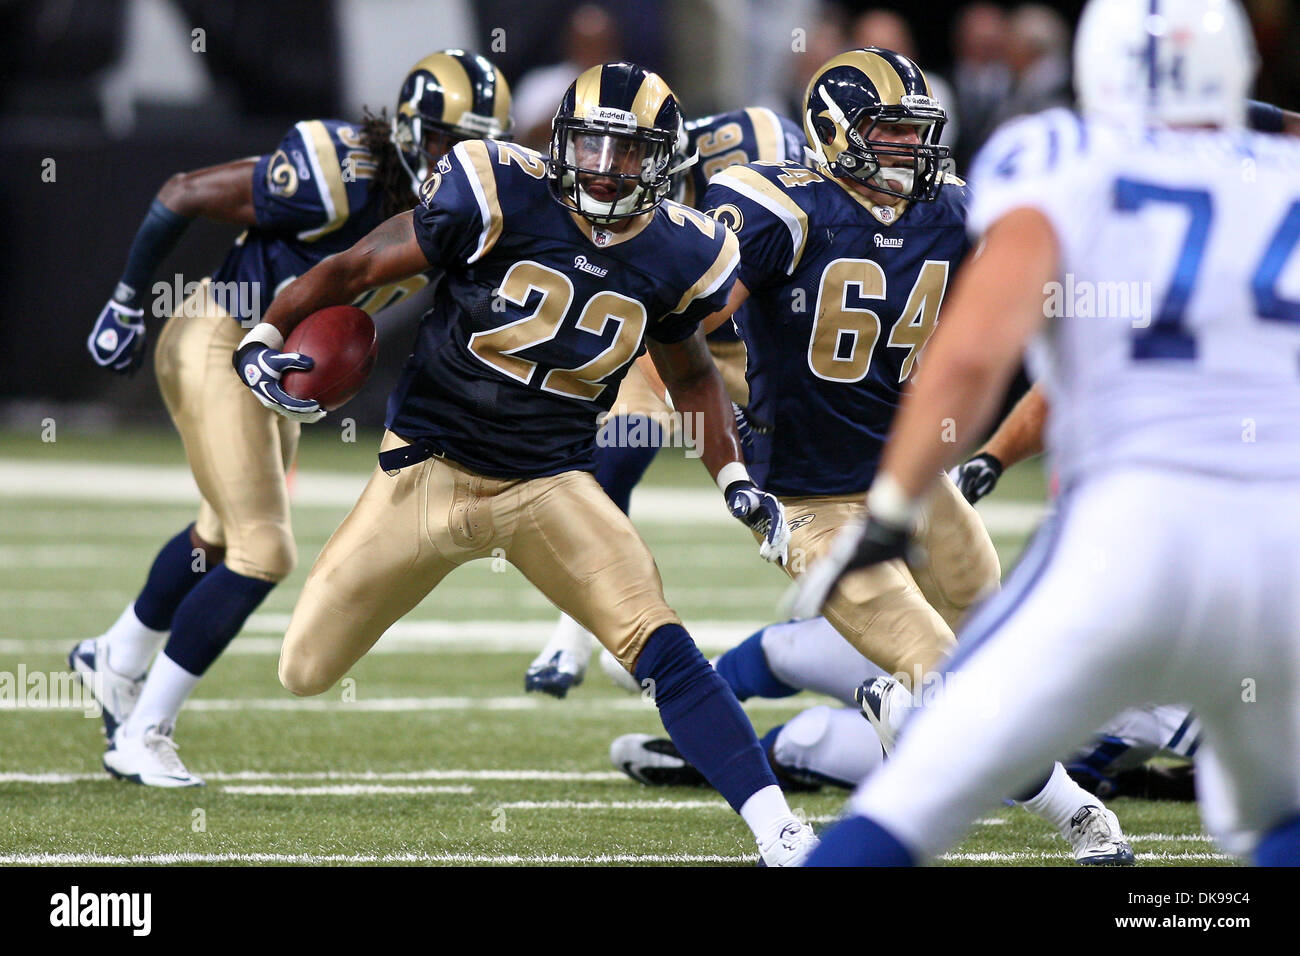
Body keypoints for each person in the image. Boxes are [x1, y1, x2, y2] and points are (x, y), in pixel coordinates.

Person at [231, 61, 818, 865]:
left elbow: (690, 374)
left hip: (548, 485)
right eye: (593, 148)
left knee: (656, 636)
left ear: (665, 163)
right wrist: (266, 335)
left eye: (631, 153)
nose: (607, 171)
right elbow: (358, 267)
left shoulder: (686, 251)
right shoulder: (495, 187)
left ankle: (778, 830)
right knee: (302, 669)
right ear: (560, 144)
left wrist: (734, 477)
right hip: (425, 470)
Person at [796, 0, 1300, 867]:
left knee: (908, 800)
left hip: (1132, 534)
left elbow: (972, 356)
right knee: (1278, 817)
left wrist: (887, 510)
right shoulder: (1285, 171)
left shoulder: (1057, 152)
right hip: (1287, 545)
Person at [694, 46, 1134, 863]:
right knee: (940, 671)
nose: (907, 151)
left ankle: (896, 721)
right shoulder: (777, 206)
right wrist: (732, 445)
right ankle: (1080, 817)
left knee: (987, 646)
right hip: (809, 494)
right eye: (886, 134)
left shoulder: (951, 211)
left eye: (914, 134)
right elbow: (685, 320)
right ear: (832, 132)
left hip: (909, 479)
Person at [70, 50, 513, 787]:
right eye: (442, 139)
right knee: (263, 550)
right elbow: (183, 191)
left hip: (277, 373)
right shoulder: (338, 171)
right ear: (407, 129)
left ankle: (114, 655)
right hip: (221, 339)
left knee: (218, 534)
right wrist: (125, 301)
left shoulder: (468, 211)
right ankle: (143, 731)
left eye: (473, 143)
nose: (455, 157)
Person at [524, 102, 805, 697]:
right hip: (664, 337)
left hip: (760, 343)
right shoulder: (639, 184)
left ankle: (820, 612)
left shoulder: (754, 171)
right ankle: (579, 626)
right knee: (619, 451)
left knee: (795, 492)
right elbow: (666, 330)